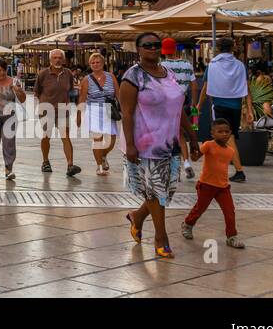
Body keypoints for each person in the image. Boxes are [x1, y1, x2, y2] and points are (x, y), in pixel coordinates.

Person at [120, 32, 194, 259]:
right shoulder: (132, 77)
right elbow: (127, 113)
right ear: (138, 49)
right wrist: (130, 145)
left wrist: (192, 135)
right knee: (156, 191)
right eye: (147, 45)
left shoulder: (168, 73)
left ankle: (138, 216)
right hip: (145, 144)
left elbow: (178, 107)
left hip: (169, 142)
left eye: (156, 45)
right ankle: (161, 238)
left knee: (166, 191)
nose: (153, 48)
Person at [180, 118, 245, 249]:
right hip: (206, 185)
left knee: (229, 211)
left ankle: (231, 236)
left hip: (223, 187)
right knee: (200, 208)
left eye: (227, 131)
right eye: (220, 131)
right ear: (212, 133)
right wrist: (193, 154)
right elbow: (197, 156)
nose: (224, 134)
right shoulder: (208, 145)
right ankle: (187, 224)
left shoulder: (230, 151)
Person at [34, 49, 80, 177]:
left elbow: (71, 90)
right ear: (50, 60)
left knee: (65, 137)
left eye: (60, 57)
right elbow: (37, 92)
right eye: (54, 58)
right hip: (46, 110)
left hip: (62, 110)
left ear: (63, 60)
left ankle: (70, 165)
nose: (57, 60)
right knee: (46, 136)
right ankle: (45, 161)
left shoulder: (68, 74)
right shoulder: (43, 74)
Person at [160, 37, 199, 180]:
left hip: (166, 103)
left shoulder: (161, 65)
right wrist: (194, 105)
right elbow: (194, 86)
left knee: (169, 134)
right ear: (176, 49)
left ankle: (173, 167)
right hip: (182, 101)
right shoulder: (186, 64)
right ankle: (187, 162)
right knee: (180, 133)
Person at [205, 38, 252, 157]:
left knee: (224, 137)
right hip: (236, 107)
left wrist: (199, 106)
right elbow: (247, 89)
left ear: (217, 49)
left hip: (219, 106)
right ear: (233, 48)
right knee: (230, 136)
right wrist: (250, 110)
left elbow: (205, 87)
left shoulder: (212, 65)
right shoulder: (241, 66)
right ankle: (229, 163)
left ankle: (237, 168)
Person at [79, 51, 118, 175]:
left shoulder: (111, 76)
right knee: (98, 139)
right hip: (94, 109)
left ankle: (103, 154)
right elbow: (82, 98)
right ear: (90, 64)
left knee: (112, 140)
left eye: (98, 62)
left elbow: (118, 93)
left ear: (103, 63)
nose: (96, 64)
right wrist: (79, 115)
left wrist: (125, 109)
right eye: (93, 63)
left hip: (109, 109)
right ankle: (99, 166)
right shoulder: (86, 79)